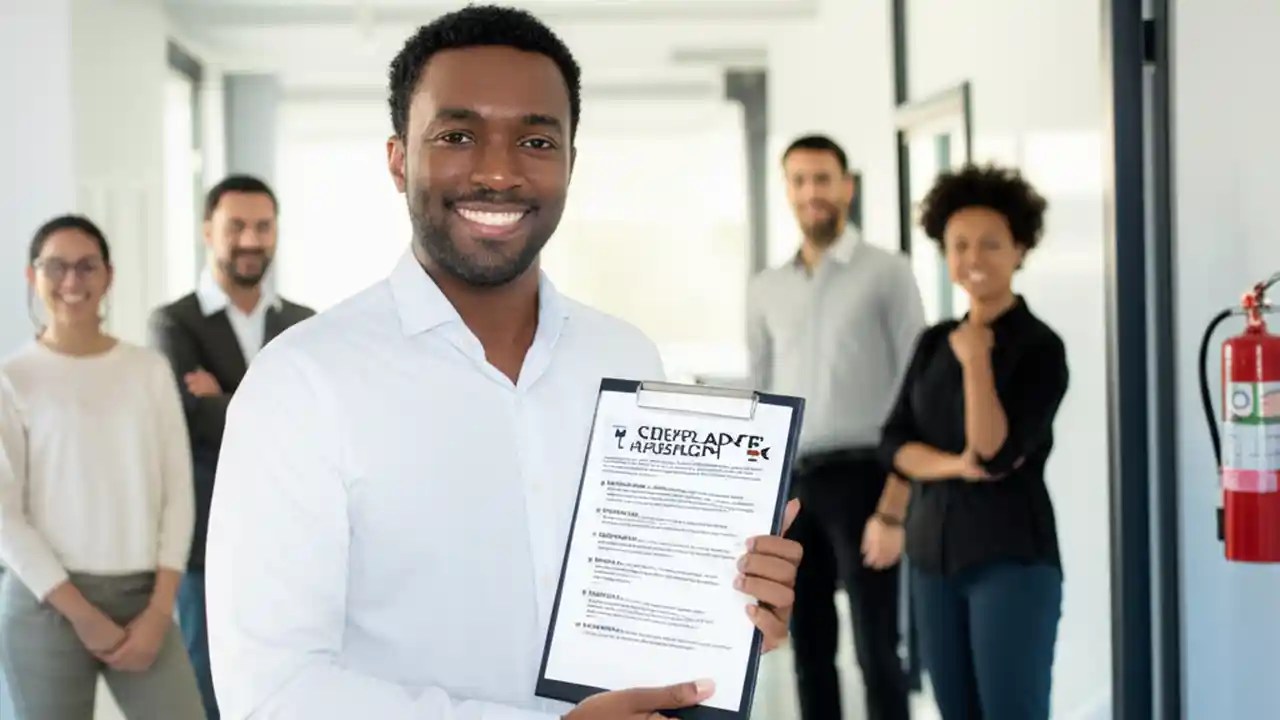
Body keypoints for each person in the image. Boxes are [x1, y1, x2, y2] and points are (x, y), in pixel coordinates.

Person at [205, 6, 802, 720]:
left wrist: (724, 617)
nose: (497, 171)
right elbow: (270, 693)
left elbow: (640, 637)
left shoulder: (625, 357)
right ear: (399, 160)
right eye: (457, 135)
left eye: (536, 139)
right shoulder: (301, 383)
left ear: (571, 163)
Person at [877, 164, 1068, 720]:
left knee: (1012, 711)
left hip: (1010, 559)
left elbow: (993, 454)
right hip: (932, 558)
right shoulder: (934, 341)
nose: (974, 258)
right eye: (959, 245)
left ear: (1020, 249)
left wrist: (978, 358)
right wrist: (954, 467)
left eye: (991, 243)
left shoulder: (1040, 348)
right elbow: (894, 445)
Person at [747, 135, 924, 720]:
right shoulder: (766, 288)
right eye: (799, 181)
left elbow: (915, 386)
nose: (811, 193)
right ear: (787, 190)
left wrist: (897, 501)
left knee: (877, 650)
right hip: (795, 482)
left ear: (847, 186)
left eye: (822, 179)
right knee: (809, 650)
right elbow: (763, 395)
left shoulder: (887, 273)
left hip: (866, 477)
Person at [0, 215, 205, 719]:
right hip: (47, 604)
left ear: (108, 276)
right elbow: (5, 516)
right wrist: (83, 615)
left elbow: (178, 492)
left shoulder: (147, 370)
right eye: (56, 267)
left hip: (145, 596)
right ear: (33, 276)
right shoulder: (14, 379)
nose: (72, 281)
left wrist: (160, 611)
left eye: (87, 266)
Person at [149, 174, 314, 720]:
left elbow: (313, 427)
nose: (251, 239)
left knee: (285, 682)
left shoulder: (303, 323)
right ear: (207, 231)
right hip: (204, 540)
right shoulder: (175, 322)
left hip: (292, 535)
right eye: (236, 226)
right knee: (205, 680)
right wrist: (268, 406)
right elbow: (192, 419)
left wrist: (227, 397)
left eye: (263, 227)